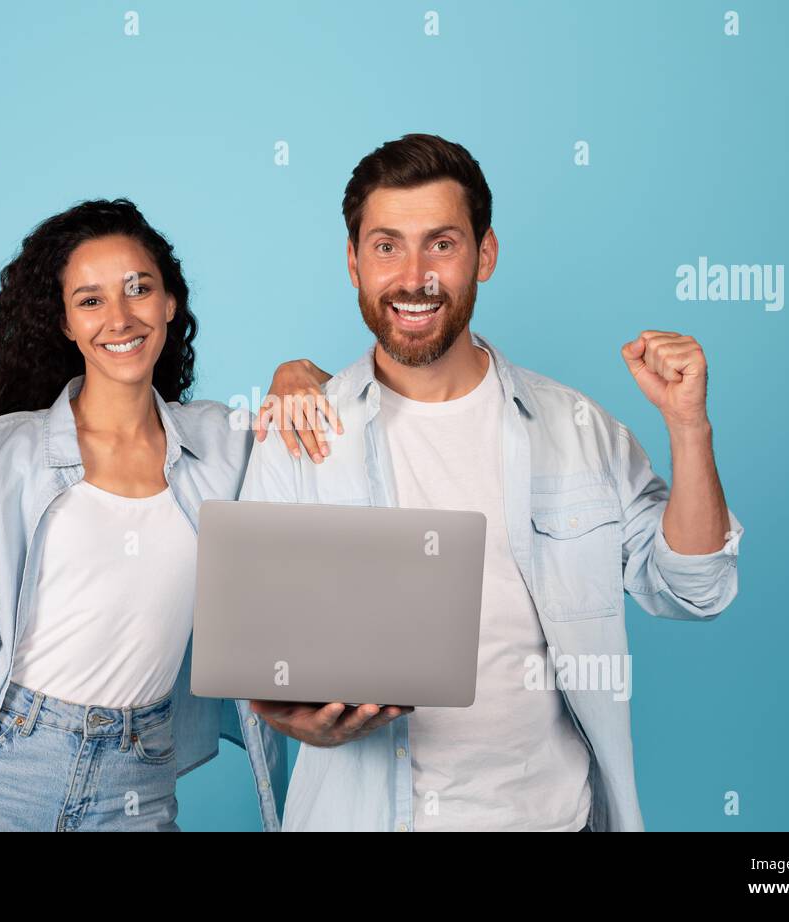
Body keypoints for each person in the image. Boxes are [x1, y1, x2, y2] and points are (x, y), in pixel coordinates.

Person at [242, 134, 745, 832]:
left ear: (485, 255)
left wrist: (690, 428)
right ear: (354, 262)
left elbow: (696, 589)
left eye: (441, 244)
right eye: (387, 246)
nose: (413, 275)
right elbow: (257, 664)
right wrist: (304, 721)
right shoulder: (298, 437)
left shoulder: (577, 428)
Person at [0, 198, 335, 831]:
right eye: (90, 300)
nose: (119, 318)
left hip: (139, 772)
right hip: (9, 765)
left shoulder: (227, 442)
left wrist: (299, 374)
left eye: (138, 289)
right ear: (65, 322)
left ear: (170, 302)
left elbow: (332, 460)